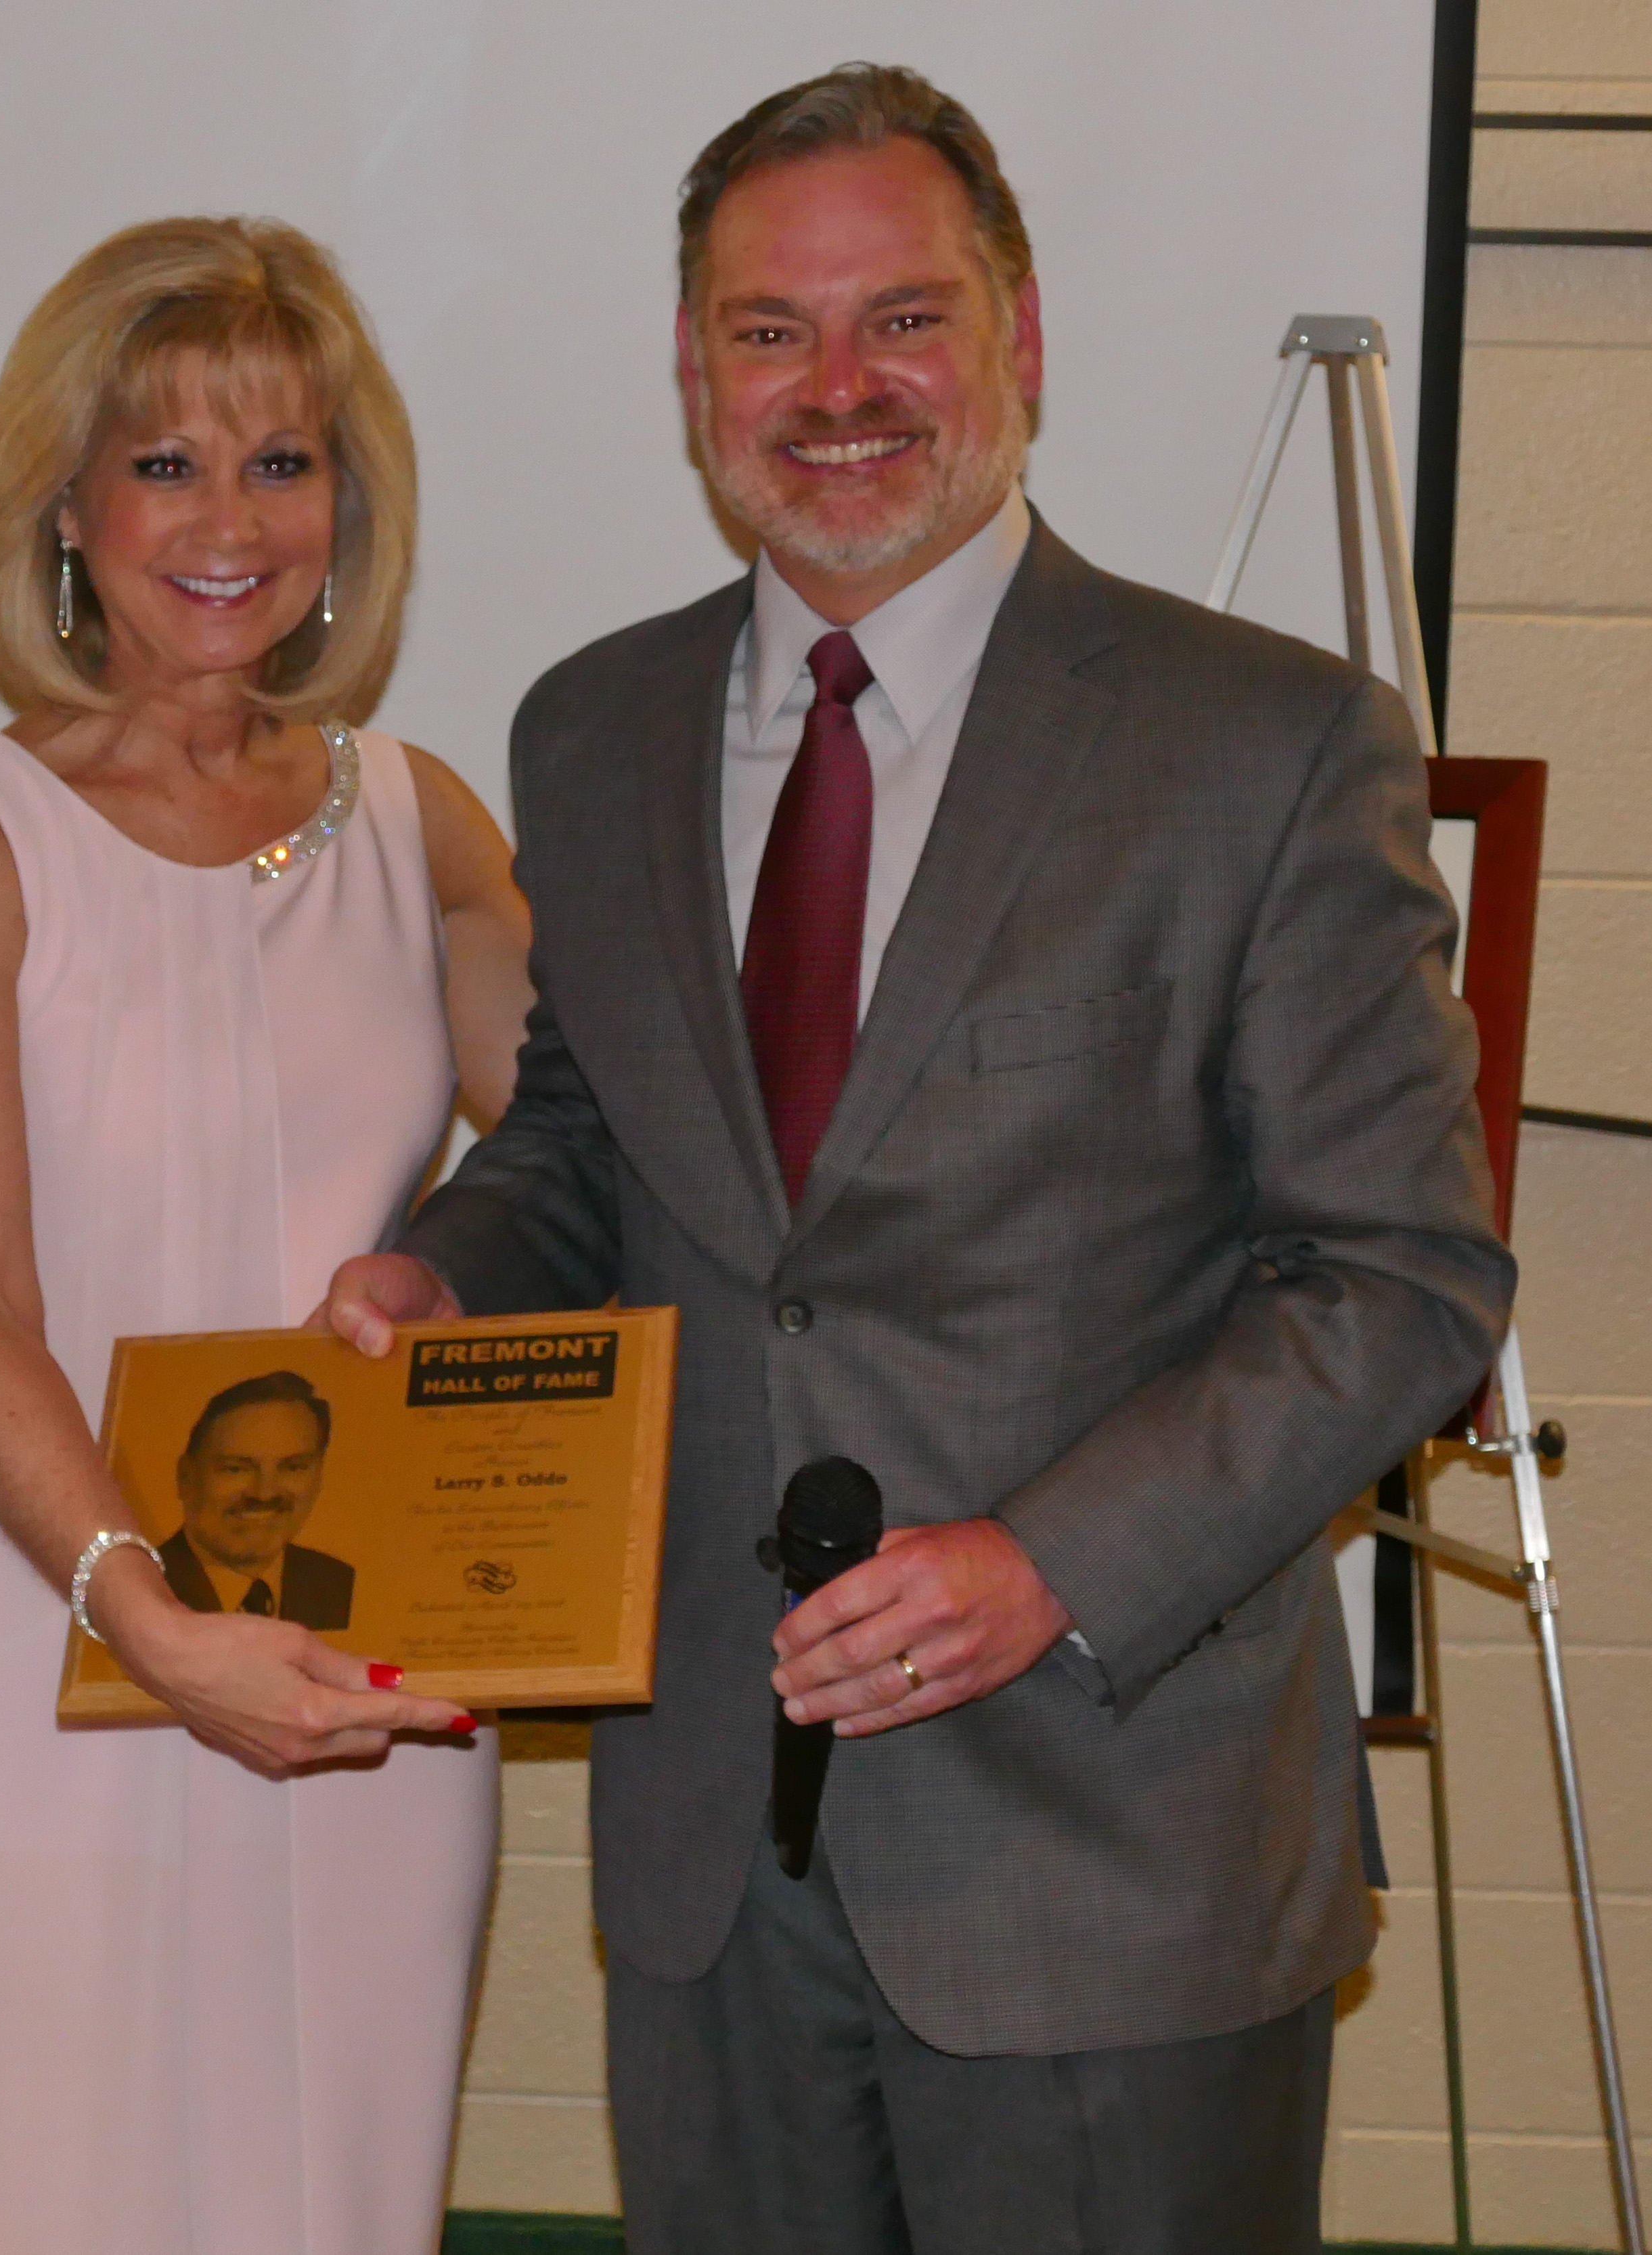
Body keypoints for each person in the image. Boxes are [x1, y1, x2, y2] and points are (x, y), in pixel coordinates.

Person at [326, 64, 1515, 2255]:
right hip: (708, 1847)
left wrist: (1048, 1558)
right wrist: (449, 1270)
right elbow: (592, 1139)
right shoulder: (589, 732)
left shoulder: (1258, 743)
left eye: (905, 316)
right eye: (768, 331)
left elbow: (1398, 1278)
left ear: (1020, 341)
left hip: (1109, 1849)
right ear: (693, 375)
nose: (837, 388)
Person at [0, 216, 531, 2255]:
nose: (229, 521)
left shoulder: (422, 821)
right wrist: (151, 1618)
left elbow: (598, 1161)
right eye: (168, 463)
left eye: (283, 463)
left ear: (345, 509)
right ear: (66, 506)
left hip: (353, 1688)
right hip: (43, 1655)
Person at [161, 1370, 355, 1628]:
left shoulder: (338, 1584)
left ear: (319, 1475)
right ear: (186, 1478)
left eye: (293, 1467)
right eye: (236, 1469)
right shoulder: (142, 1586)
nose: (265, 1494)